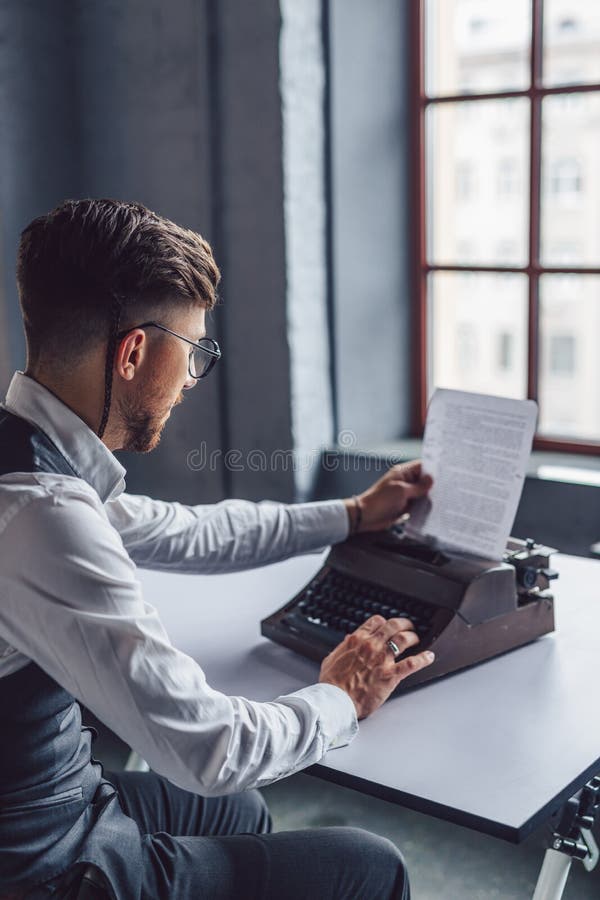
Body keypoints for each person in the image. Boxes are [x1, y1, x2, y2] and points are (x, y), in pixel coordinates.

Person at [0, 199, 434, 899]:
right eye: (194, 352)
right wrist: (339, 697)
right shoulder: (44, 518)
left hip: (49, 800)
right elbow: (211, 748)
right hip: (45, 866)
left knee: (238, 812)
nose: (193, 381)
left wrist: (354, 513)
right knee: (369, 865)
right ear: (134, 353)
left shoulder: (28, 458)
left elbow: (189, 531)